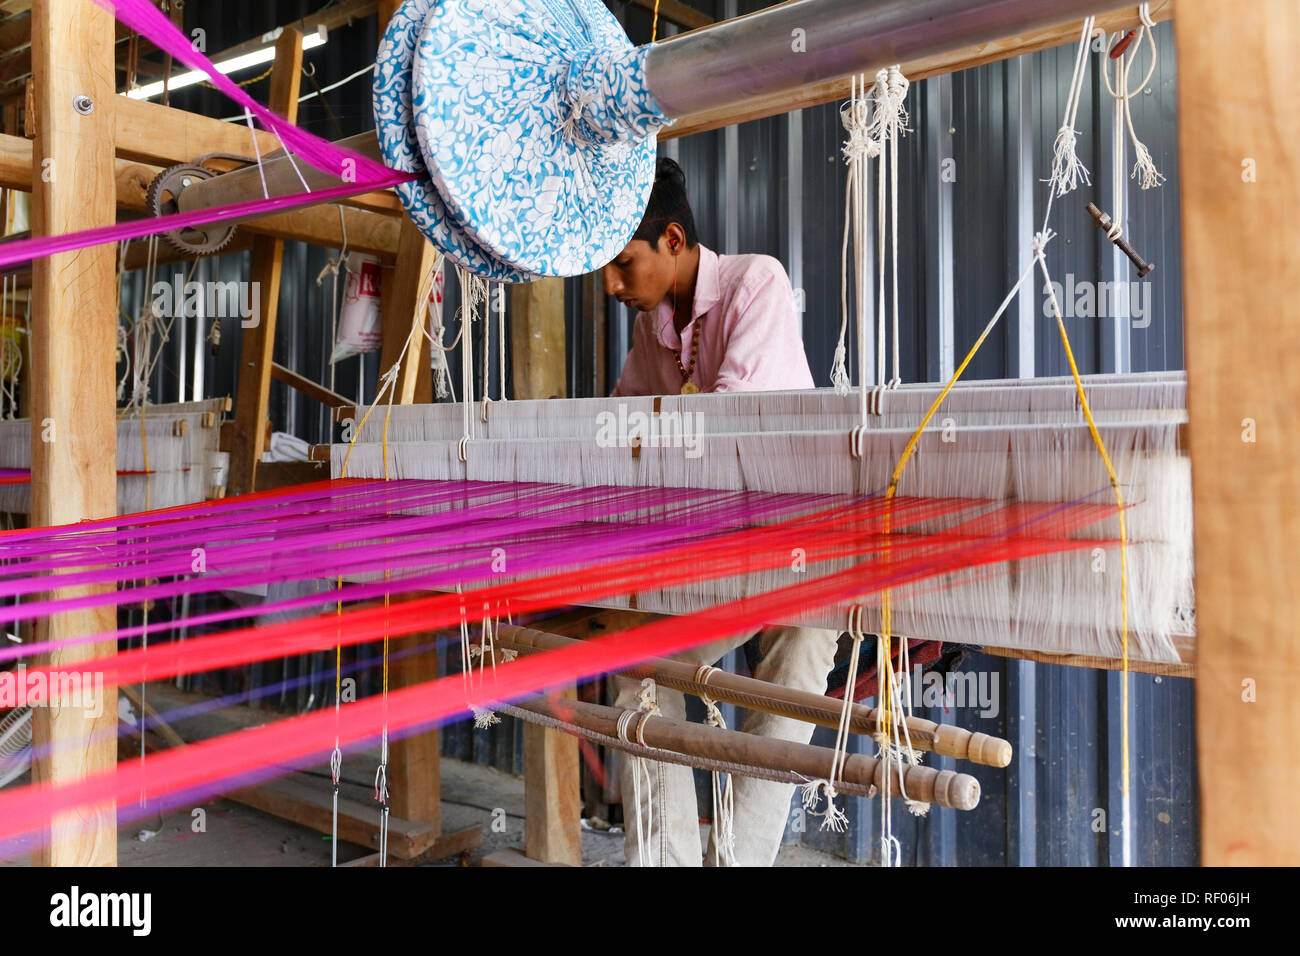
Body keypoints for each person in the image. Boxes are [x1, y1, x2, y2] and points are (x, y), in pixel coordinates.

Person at [601, 157, 841, 866]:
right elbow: (621, 427)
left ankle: (737, 861)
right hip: (720, 554)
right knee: (641, 669)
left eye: (622, 264)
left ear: (672, 240)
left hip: (798, 550)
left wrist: (651, 432)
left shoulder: (755, 282)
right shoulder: (656, 327)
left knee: (798, 663)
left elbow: (724, 429)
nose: (612, 286)